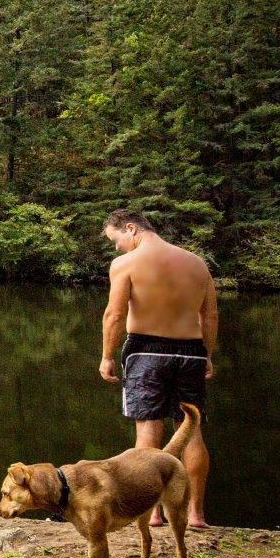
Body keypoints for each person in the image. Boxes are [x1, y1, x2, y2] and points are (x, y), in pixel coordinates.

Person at [97, 209, 215, 528]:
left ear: (131, 229)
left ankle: (153, 513)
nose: (117, 248)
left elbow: (115, 315)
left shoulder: (126, 264)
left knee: (148, 433)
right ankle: (195, 515)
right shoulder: (196, 263)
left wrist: (107, 355)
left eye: (116, 240)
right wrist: (207, 354)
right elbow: (210, 317)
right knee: (190, 429)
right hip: (191, 351)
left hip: (146, 352)